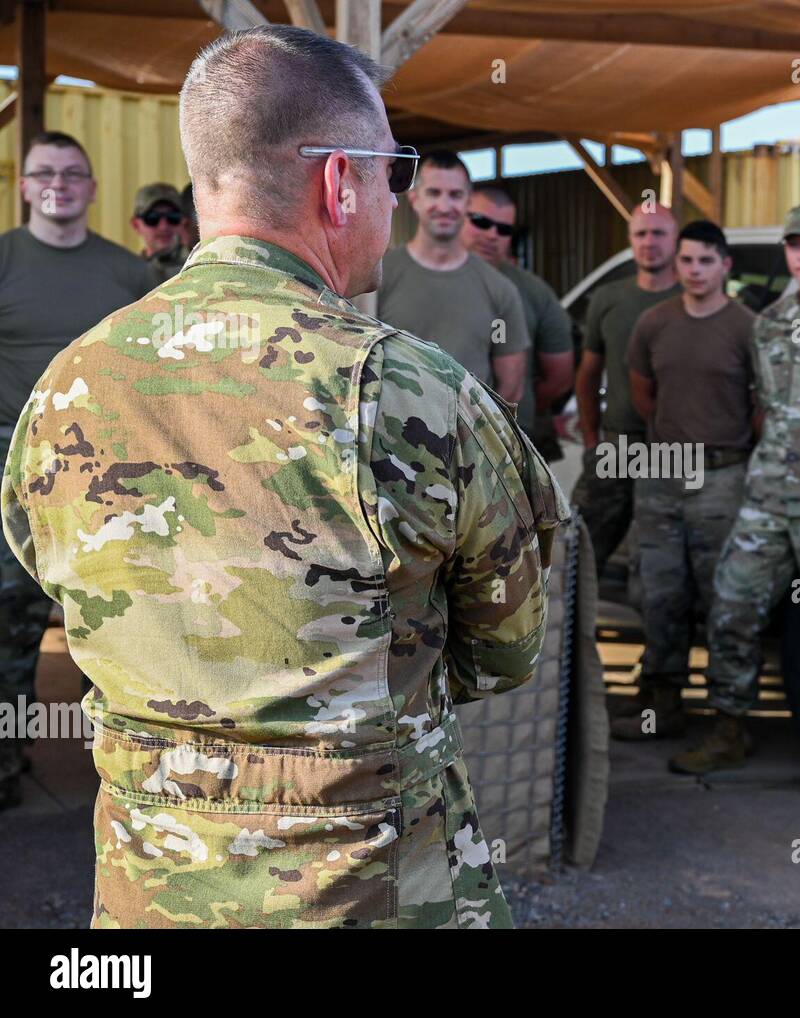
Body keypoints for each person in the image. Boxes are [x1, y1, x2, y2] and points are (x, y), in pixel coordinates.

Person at [1, 24, 566, 927]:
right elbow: (504, 648)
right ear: (341, 182)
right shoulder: (410, 392)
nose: (399, 197)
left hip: (148, 900)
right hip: (371, 889)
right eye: (396, 172)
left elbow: (64, 591)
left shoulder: (68, 384)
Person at [669, 202, 800, 798]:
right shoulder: (769, 324)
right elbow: (765, 406)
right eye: (795, 245)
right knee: (732, 609)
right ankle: (730, 728)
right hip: (767, 499)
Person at [0, 130, 156, 809]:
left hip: (105, 475)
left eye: (71, 173)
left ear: (92, 188)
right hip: (11, 466)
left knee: (114, 625)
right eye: (43, 173)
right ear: (25, 185)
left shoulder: (129, 276)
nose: (57, 183)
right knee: (10, 631)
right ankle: (7, 764)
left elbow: (156, 376)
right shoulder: (3, 260)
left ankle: (121, 775)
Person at [612, 220, 757, 741]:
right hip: (661, 473)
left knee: (724, 598)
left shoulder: (746, 327)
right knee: (659, 592)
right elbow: (643, 392)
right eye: (687, 261)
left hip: (722, 477)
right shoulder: (654, 322)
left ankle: (727, 719)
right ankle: (662, 702)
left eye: (705, 261)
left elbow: (758, 407)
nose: (695, 271)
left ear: (725, 266)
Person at [571, 206, 680, 578]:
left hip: (675, 451)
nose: (649, 243)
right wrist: (591, 442)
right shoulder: (608, 298)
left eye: (659, 233)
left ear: (675, 239)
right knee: (577, 550)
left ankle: (660, 636)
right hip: (617, 445)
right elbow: (587, 375)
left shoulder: (693, 296)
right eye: (641, 234)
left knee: (660, 562)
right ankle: (574, 636)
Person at [379, 150, 529, 404]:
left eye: (455, 195)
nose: (445, 206)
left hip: (469, 441)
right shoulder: (377, 278)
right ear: (414, 198)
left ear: (468, 202)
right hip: (392, 438)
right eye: (434, 193)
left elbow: (510, 388)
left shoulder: (499, 290)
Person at [462, 184, 573, 457]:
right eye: (481, 222)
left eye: (504, 229)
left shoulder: (535, 292)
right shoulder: (411, 276)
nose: (492, 235)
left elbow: (559, 377)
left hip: (510, 443)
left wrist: (521, 406)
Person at [130, 182, 191, 281]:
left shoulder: (197, 268)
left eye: (173, 217)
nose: (163, 226)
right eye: (152, 218)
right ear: (136, 225)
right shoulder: (127, 272)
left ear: (184, 222)